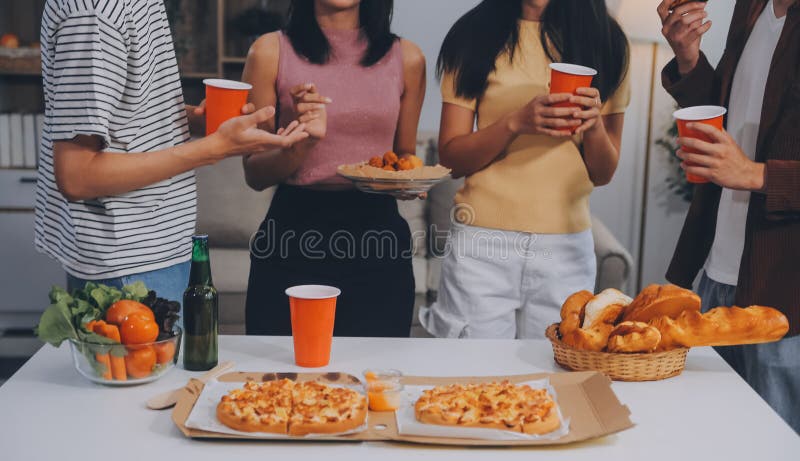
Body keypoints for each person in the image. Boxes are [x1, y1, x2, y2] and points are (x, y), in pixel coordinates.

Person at [37, 0, 308, 304]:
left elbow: (126, 115)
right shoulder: (96, 13)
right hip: (129, 265)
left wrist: (197, 118)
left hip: (155, 252)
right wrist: (213, 149)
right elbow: (77, 176)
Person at [420, 0, 630, 339]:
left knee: (555, 366)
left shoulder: (607, 40)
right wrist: (515, 123)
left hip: (566, 248)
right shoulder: (472, 34)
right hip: (481, 245)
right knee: (473, 369)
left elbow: (603, 173)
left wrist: (593, 127)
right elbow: (451, 159)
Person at [241, 0, 426, 337]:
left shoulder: (408, 58)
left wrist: (406, 182)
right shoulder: (269, 51)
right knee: (279, 367)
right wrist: (303, 143)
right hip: (292, 236)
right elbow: (254, 173)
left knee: (378, 366)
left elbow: (403, 157)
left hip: (378, 239)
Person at [658, 0, 799, 433]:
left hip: (785, 298)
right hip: (717, 277)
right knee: (706, 439)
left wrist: (756, 174)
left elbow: (746, 165)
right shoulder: (752, 7)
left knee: (776, 445)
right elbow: (727, 115)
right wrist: (688, 57)